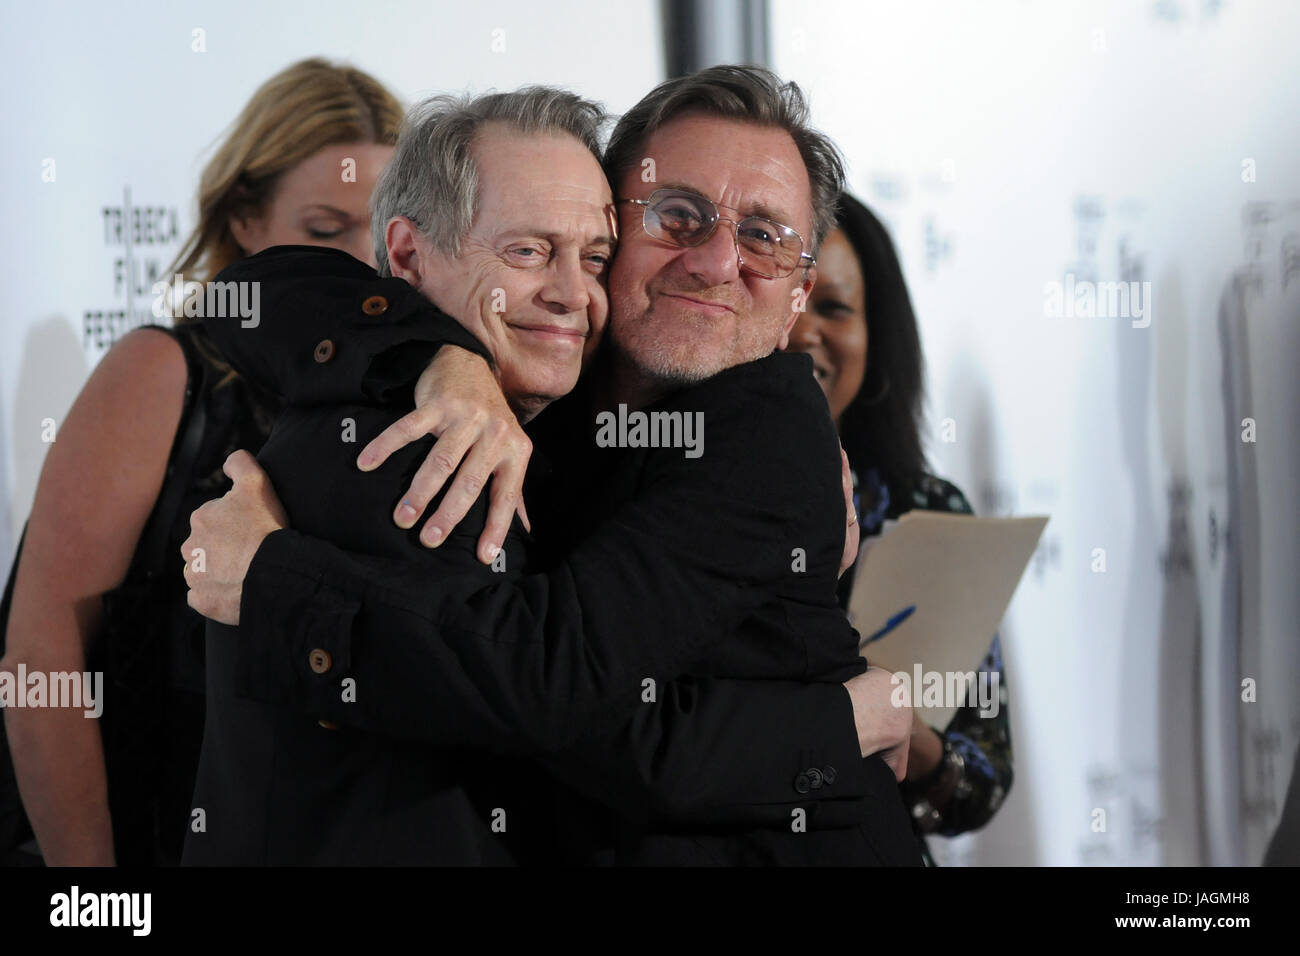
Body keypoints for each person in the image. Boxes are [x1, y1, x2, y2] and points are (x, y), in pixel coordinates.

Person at [183, 66, 920, 866]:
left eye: (764, 237)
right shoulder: (496, 407)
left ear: (798, 296)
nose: (715, 260)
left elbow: (554, 690)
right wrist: (437, 358)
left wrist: (270, 580)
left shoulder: (768, 433)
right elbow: (249, 294)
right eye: (679, 215)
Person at [0, 57, 400, 866]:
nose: (360, 263)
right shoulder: (163, 373)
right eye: (324, 229)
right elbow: (43, 653)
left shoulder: (417, 392)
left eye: (383, 227)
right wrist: (94, 894)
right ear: (244, 220)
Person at [792, 192, 1013, 863]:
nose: (806, 332)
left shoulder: (926, 515)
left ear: (877, 335)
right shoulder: (678, 489)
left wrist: (909, 740)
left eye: (834, 307)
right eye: (791, 301)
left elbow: (984, 780)